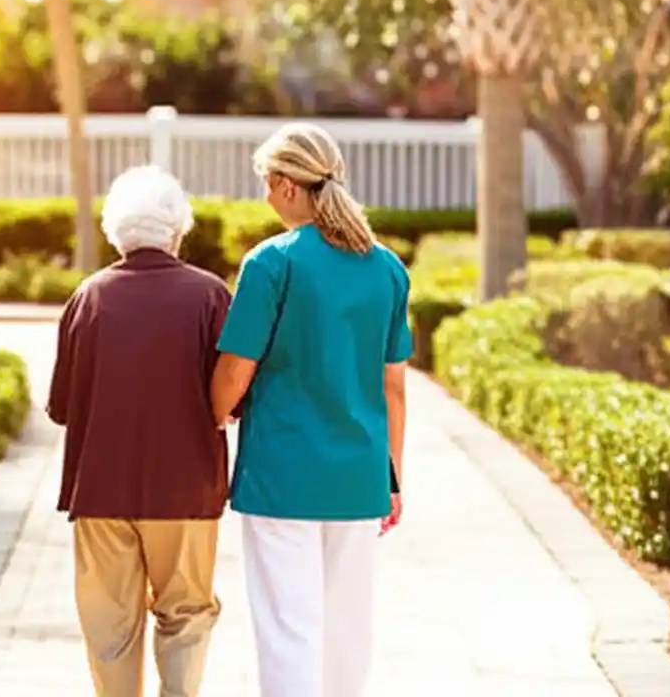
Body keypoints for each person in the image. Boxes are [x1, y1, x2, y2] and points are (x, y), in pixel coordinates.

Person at [210, 123, 412, 697]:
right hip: (359, 478)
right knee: (348, 628)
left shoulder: (271, 263)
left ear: (284, 184)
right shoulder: (388, 268)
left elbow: (234, 371)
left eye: (267, 186)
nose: (267, 199)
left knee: (288, 628)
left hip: (282, 477)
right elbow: (393, 386)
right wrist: (391, 475)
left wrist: (214, 414)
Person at [46, 165, 232, 697]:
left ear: (115, 231)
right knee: (186, 615)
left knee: (109, 628)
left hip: (99, 490)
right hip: (186, 491)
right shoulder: (210, 296)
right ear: (178, 230)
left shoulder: (87, 297)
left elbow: (63, 408)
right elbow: (234, 394)